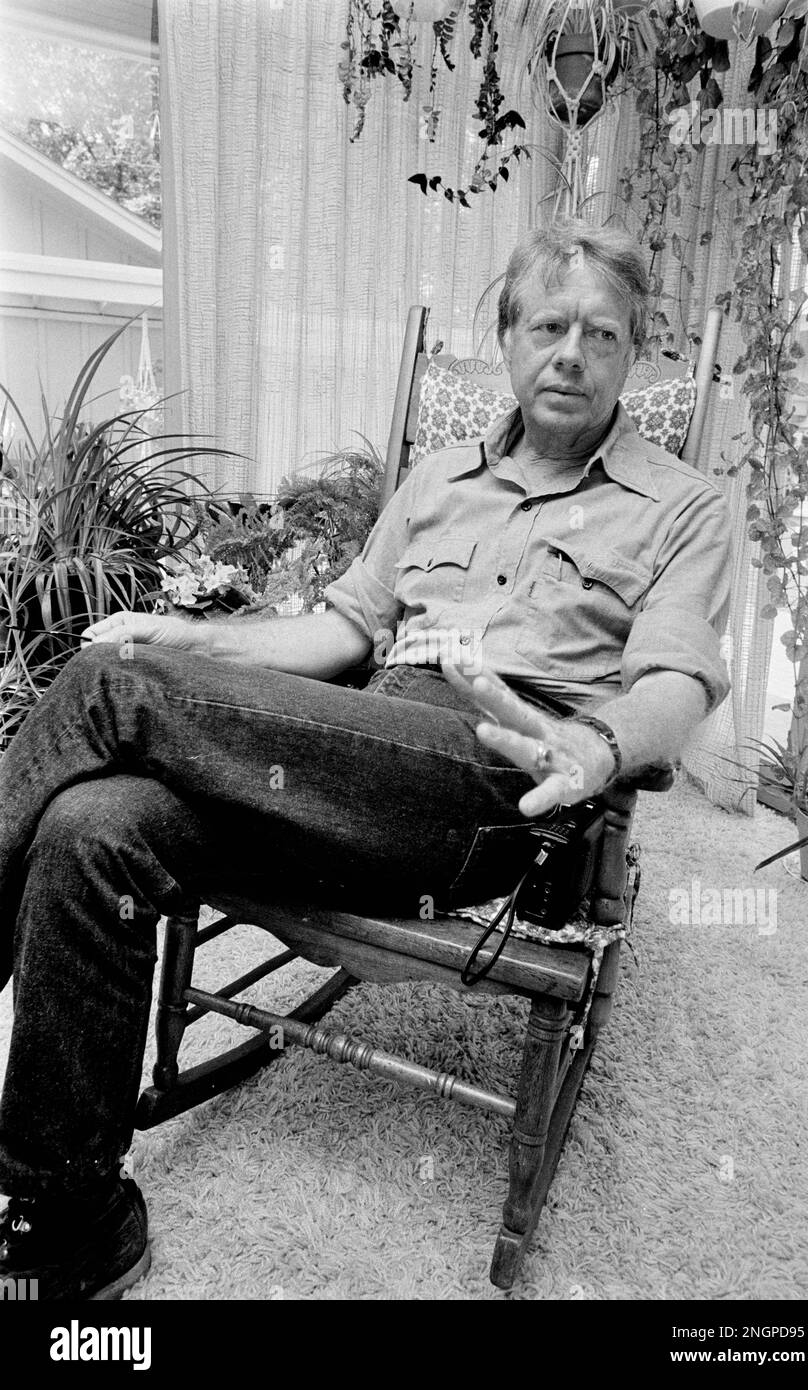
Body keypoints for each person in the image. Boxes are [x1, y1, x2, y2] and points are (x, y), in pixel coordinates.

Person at [0, 221, 731, 1299]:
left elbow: (678, 683)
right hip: (351, 762)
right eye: (548, 325)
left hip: (494, 778)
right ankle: (68, 1213)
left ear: (635, 352)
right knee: (89, 826)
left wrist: (591, 744)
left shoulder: (684, 505)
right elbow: (339, 631)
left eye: (601, 331)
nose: (571, 350)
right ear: (508, 340)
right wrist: (192, 639)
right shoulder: (437, 477)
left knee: (110, 690)